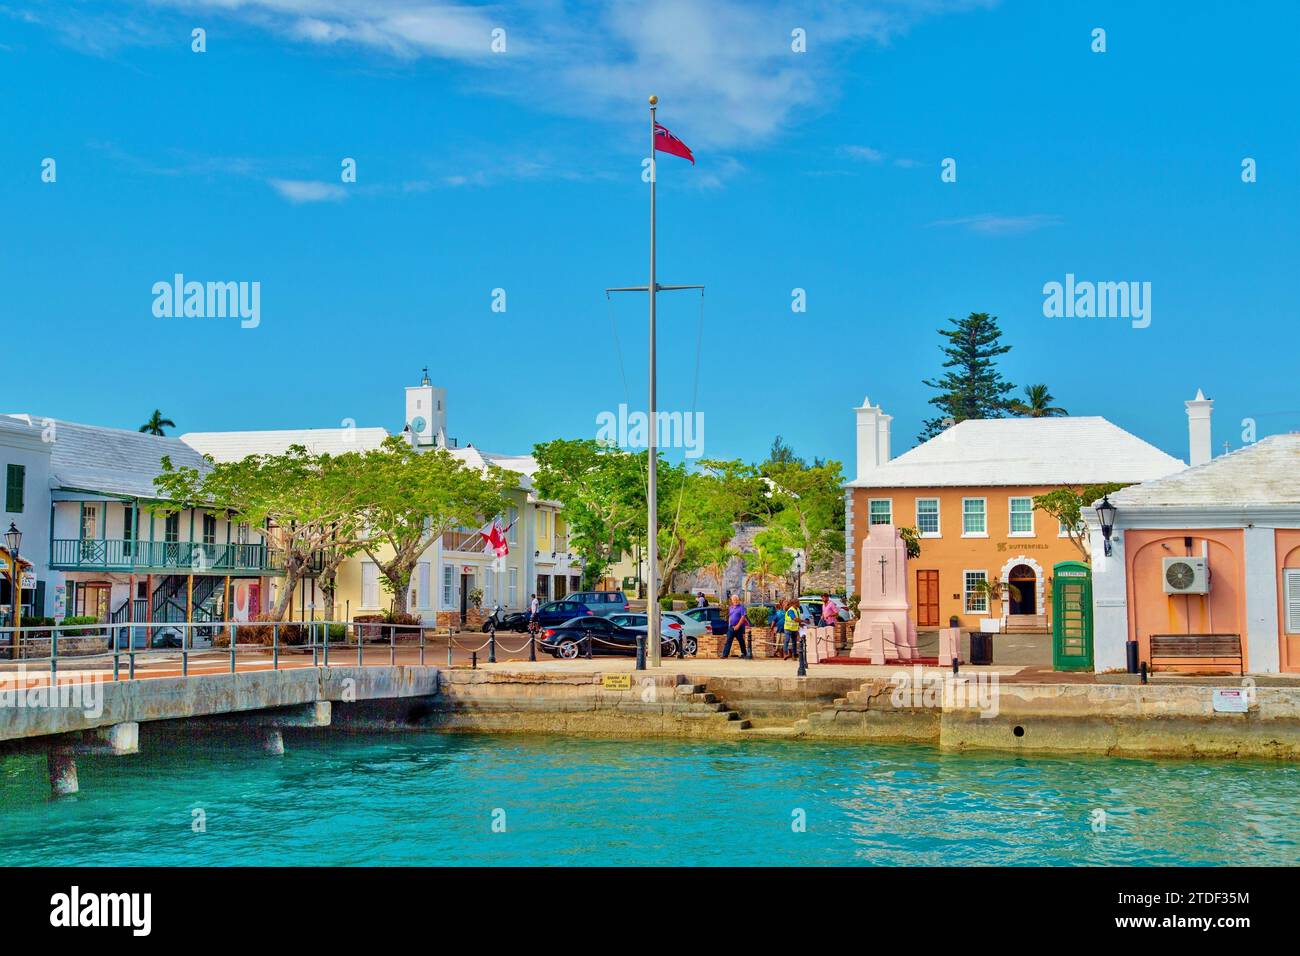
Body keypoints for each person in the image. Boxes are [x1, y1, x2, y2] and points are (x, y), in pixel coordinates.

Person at [721, 594, 748, 659]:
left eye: (736, 600)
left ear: (738, 600)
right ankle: (725, 655)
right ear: (732, 601)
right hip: (731, 627)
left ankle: (744, 654)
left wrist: (738, 626)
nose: (735, 601)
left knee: (741, 641)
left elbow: (743, 617)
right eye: (734, 600)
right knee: (728, 640)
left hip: (739, 627)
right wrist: (729, 625)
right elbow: (730, 616)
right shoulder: (731, 608)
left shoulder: (741, 607)